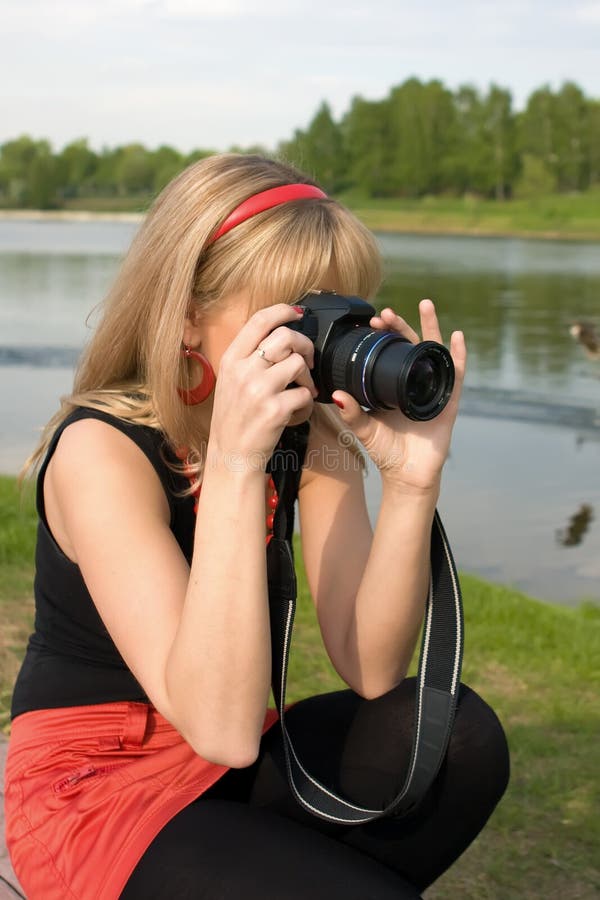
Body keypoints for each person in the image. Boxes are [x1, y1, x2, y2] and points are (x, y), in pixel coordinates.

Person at [4, 153, 509, 900]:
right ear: (184, 316)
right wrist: (238, 466)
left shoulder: (310, 434)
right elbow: (222, 725)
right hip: (98, 784)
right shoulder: (101, 451)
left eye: (341, 308)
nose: (321, 340)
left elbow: (370, 667)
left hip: (224, 758)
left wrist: (412, 481)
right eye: (292, 316)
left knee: (457, 739)